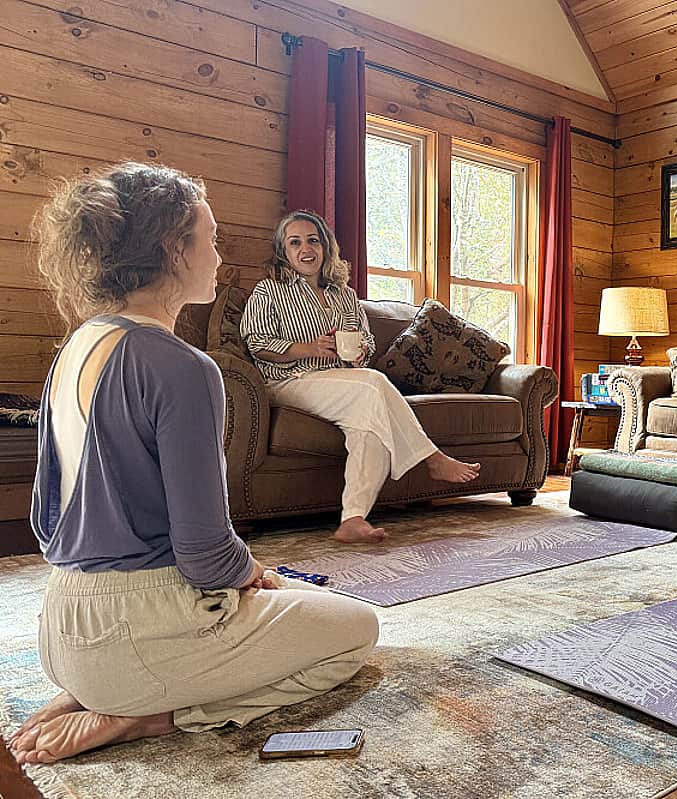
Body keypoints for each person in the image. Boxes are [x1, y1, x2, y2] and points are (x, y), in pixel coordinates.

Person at [8, 163, 379, 766]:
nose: (218, 255)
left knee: (278, 592)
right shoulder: (183, 366)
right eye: (211, 238)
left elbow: (47, 525)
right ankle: (151, 714)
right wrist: (253, 573)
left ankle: (104, 688)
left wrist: (250, 575)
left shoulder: (76, 347)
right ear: (171, 248)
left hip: (62, 628)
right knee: (357, 628)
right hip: (140, 636)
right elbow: (206, 556)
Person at [240, 210, 480, 544]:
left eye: (312, 240)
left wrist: (360, 351)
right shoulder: (269, 291)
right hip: (290, 380)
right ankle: (431, 458)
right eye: (294, 242)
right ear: (284, 251)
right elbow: (257, 343)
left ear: (325, 246)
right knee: (374, 383)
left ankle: (353, 518)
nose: (305, 248)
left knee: (369, 427)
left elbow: (365, 339)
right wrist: (308, 348)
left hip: (342, 381)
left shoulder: (345, 294)